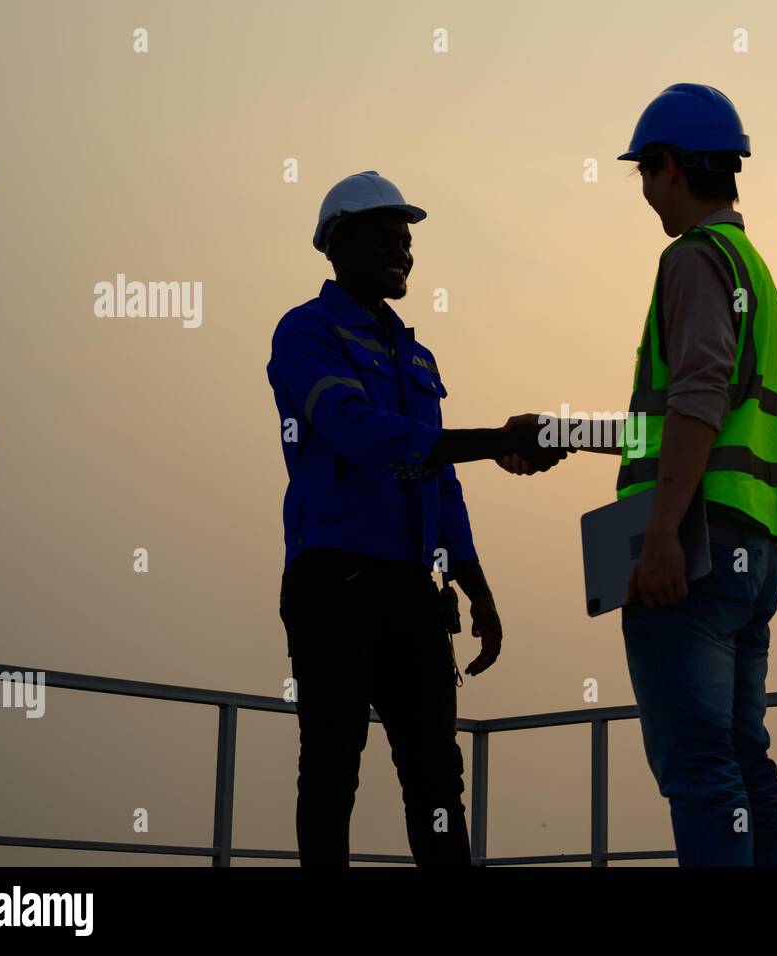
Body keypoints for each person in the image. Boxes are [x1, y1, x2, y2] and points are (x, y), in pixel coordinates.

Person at [267, 170, 565, 867]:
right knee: (333, 763)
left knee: (435, 775)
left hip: (411, 592)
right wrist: (497, 441)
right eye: (387, 237)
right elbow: (358, 431)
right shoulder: (305, 333)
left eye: (408, 241)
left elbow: (441, 480)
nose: (403, 252)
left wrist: (476, 587)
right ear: (339, 244)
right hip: (334, 579)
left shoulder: (416, 354)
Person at [562, 84, 777, 866]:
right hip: (749, 549)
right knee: (741, 759)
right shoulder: (749, 268)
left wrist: (660, 534)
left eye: (644, 172)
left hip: (694, 549)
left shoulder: (694, 259)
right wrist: (566, 430)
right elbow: (680, 418)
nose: (643, 191)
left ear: (669, 167)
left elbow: (698, 399)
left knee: (699, 767)